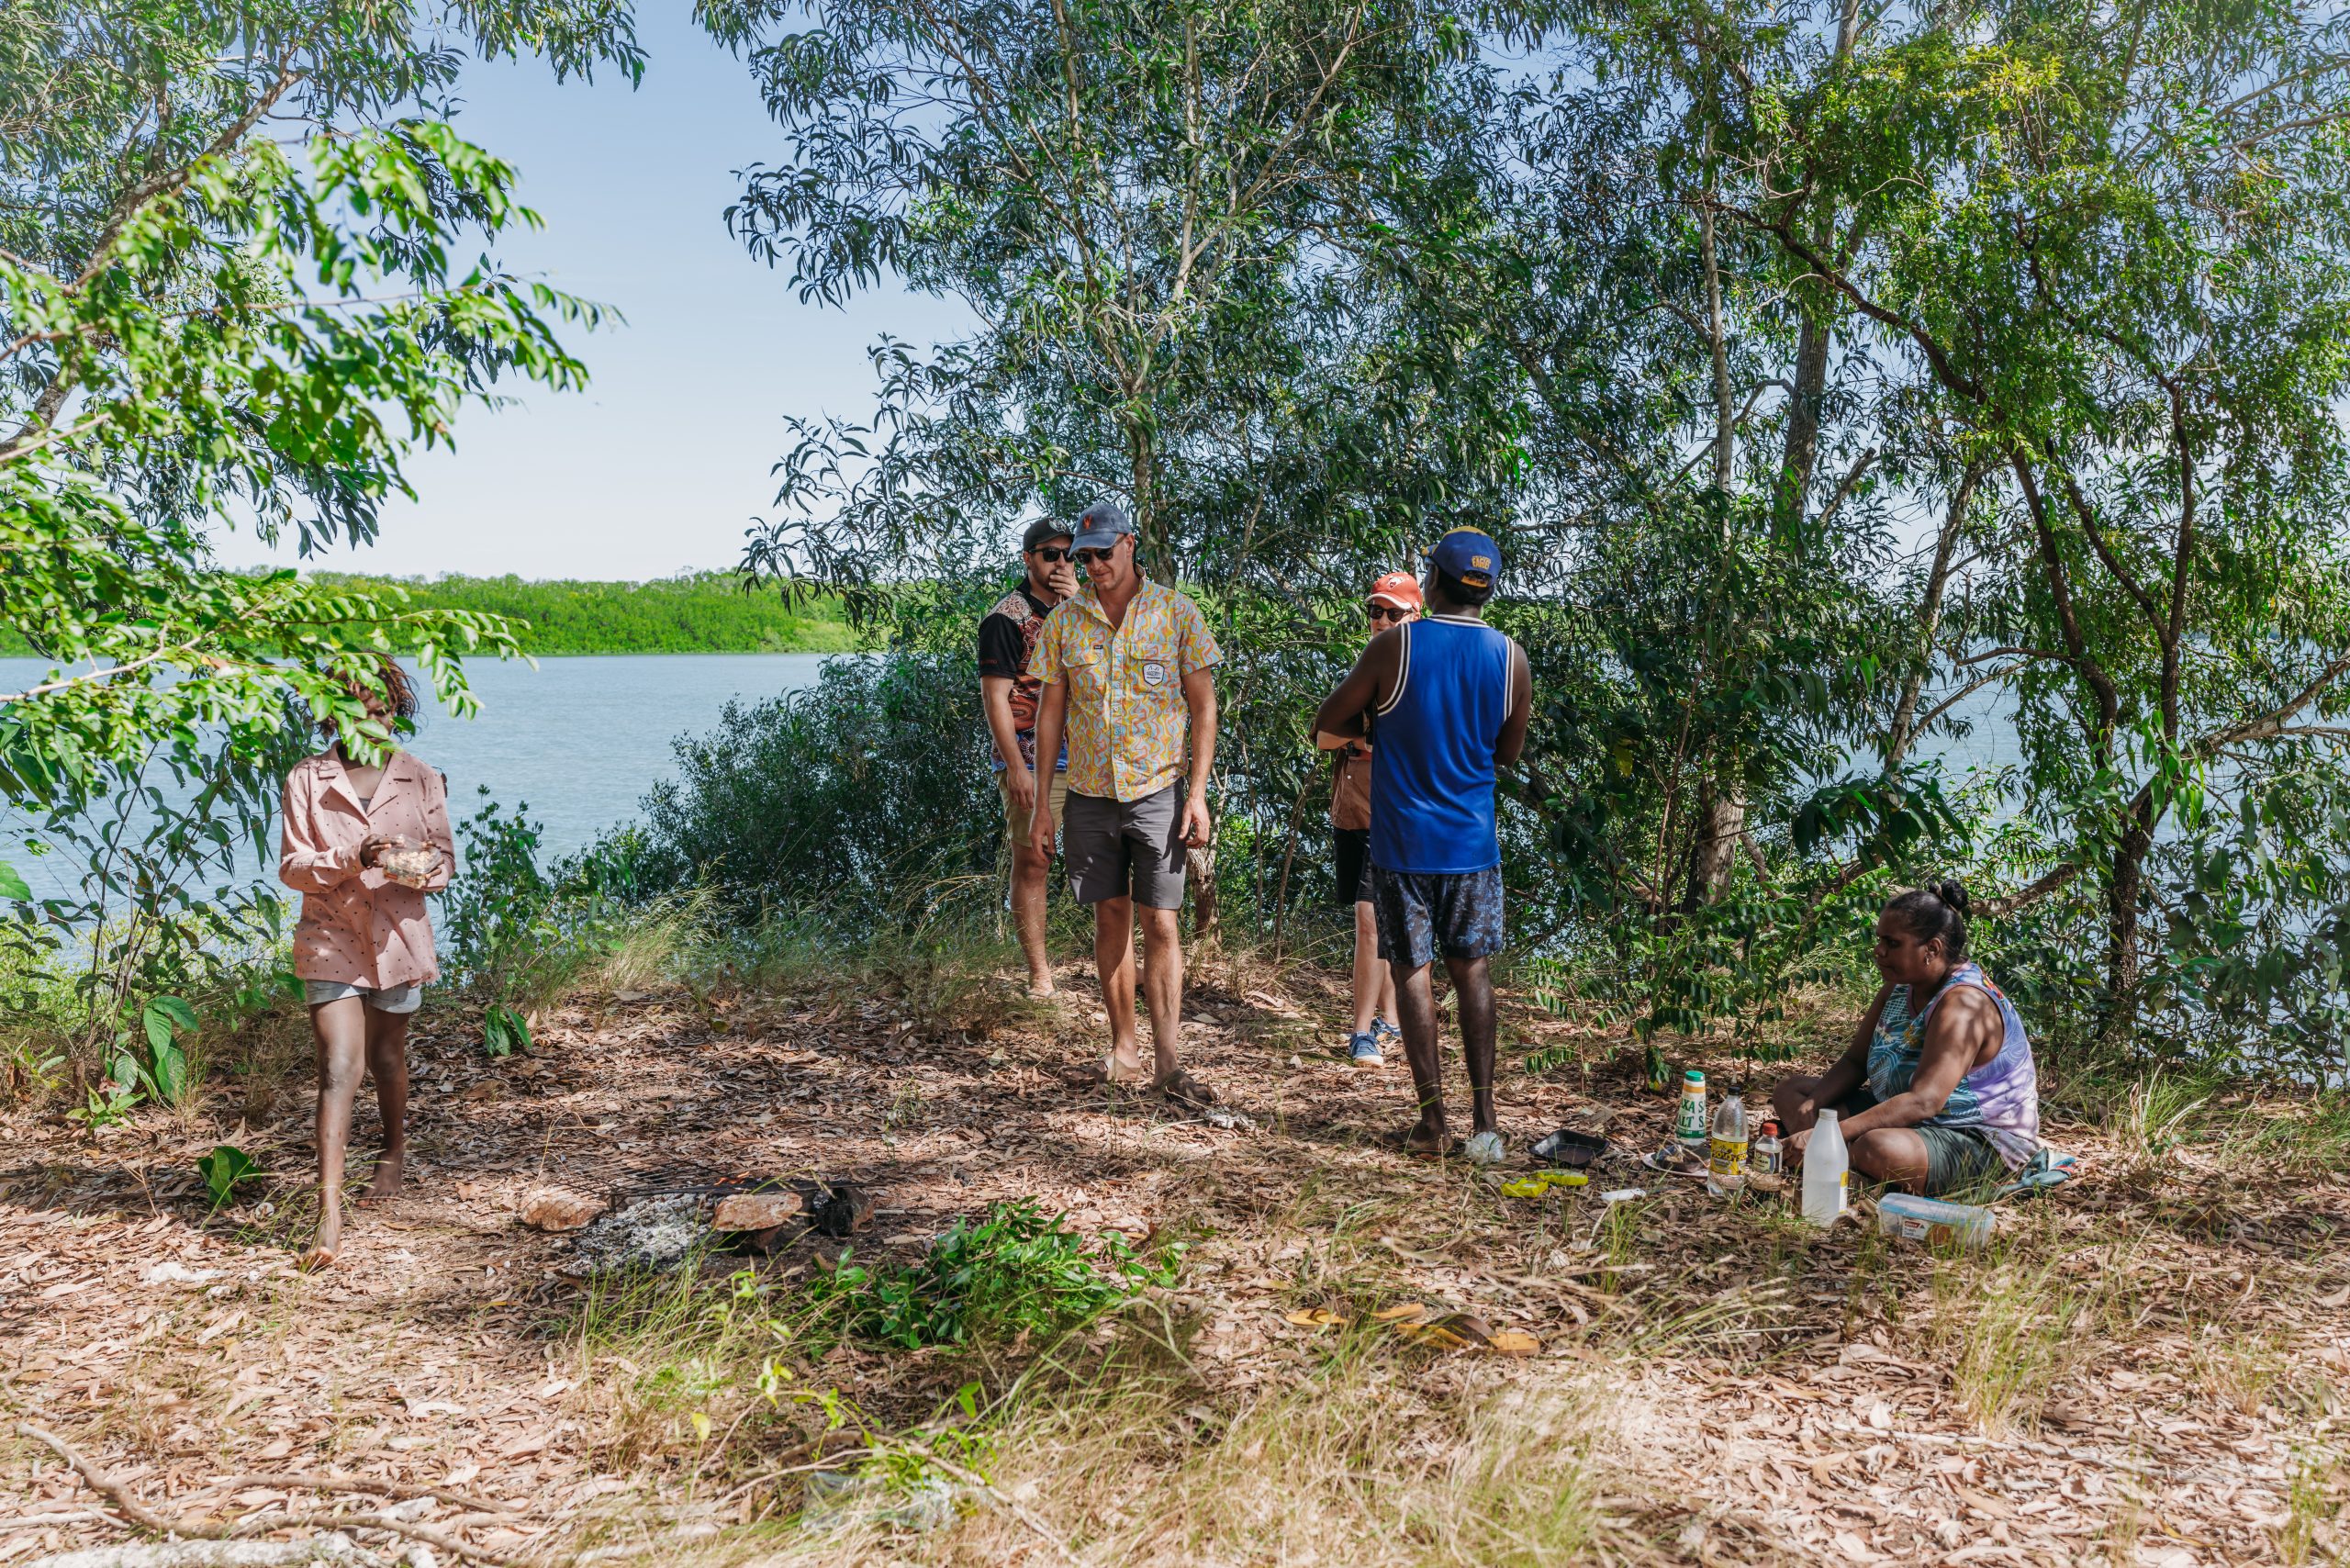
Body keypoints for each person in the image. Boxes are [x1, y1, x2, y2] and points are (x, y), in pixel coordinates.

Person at [1312, 530, 1532, 1162]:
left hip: (1404, 841)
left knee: (1412, 971)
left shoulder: (1396, 647)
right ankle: (1486, 1122)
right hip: (1472, 843)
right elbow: (1507, 752)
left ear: (1433, 582)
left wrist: (1383, 725)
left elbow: (1327, 723)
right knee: (1474, 971)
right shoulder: (1510, 657)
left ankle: (1434, 1122)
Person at [1027, 499, 1222, 1103]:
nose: (1092, 566)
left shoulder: (1176, 613)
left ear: (1130, 544)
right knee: (1109, 918)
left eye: (1102, 554)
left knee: (1161, 922)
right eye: (1083, 558)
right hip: (1088, 796)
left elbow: (1204, 706)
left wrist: (1197, 794)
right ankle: (1124, 1050)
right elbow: (1050, 713)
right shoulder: (1064, 622)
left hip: (1156, 793)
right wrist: (1042, 804)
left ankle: (1169, 1059)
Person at [278, 660, 455, 1271]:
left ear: (394, 710)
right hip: (331, 937)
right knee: (339, 1067)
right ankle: (327, 1218)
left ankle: (393, 1152)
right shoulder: (306, 778)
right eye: (355, 708)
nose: (369, 719)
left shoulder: (421, 777)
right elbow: (293, 867)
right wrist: (353, 855)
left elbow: (446, 863)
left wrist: (423, 868)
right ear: (332, 712)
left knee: (385, 1059)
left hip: (398, 940)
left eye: (380, 708)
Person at [1770, 882, 2042, 1197]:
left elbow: (1924, 1101)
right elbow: (1855, 1062)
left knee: (1878, 1147)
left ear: (1933, 950)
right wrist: (1813, 1108)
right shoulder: (1900, 986)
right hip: (1902, 1114)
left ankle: (1835, 1158)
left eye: (1893, 943)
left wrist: (1825, 1134)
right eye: (1880, 940)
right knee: (1795, 1093)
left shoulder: (1963, 1004)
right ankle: (1842, 1161)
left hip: (1975, 1138)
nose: (1879, 951)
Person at [1317, 571, 1422, 1068]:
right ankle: (1391, 1019)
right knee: (1373, 920)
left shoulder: (1424, 673)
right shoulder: (1362, 673)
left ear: (1415, 617)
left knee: (1370, 919)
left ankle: (1362, 1033)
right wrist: (1363, 739)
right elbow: (1322, 736)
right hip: (1354, 810)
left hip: (1399, 816)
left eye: (1392, 612)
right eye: (1375, 611)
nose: (1381, 620)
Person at [979, 519, 1080, 994]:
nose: (1061, 563)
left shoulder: (1084, 608)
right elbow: (994, 698)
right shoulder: (1006, 616)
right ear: (1027, 558)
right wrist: (1014, 767)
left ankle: (1119, 967)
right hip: (1030, 756)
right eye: (1050, 554)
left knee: (1107, 858)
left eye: (1070, 554)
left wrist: (1080, 601)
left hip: (1090, 755)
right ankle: (1040, 976)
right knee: (1035, 860)